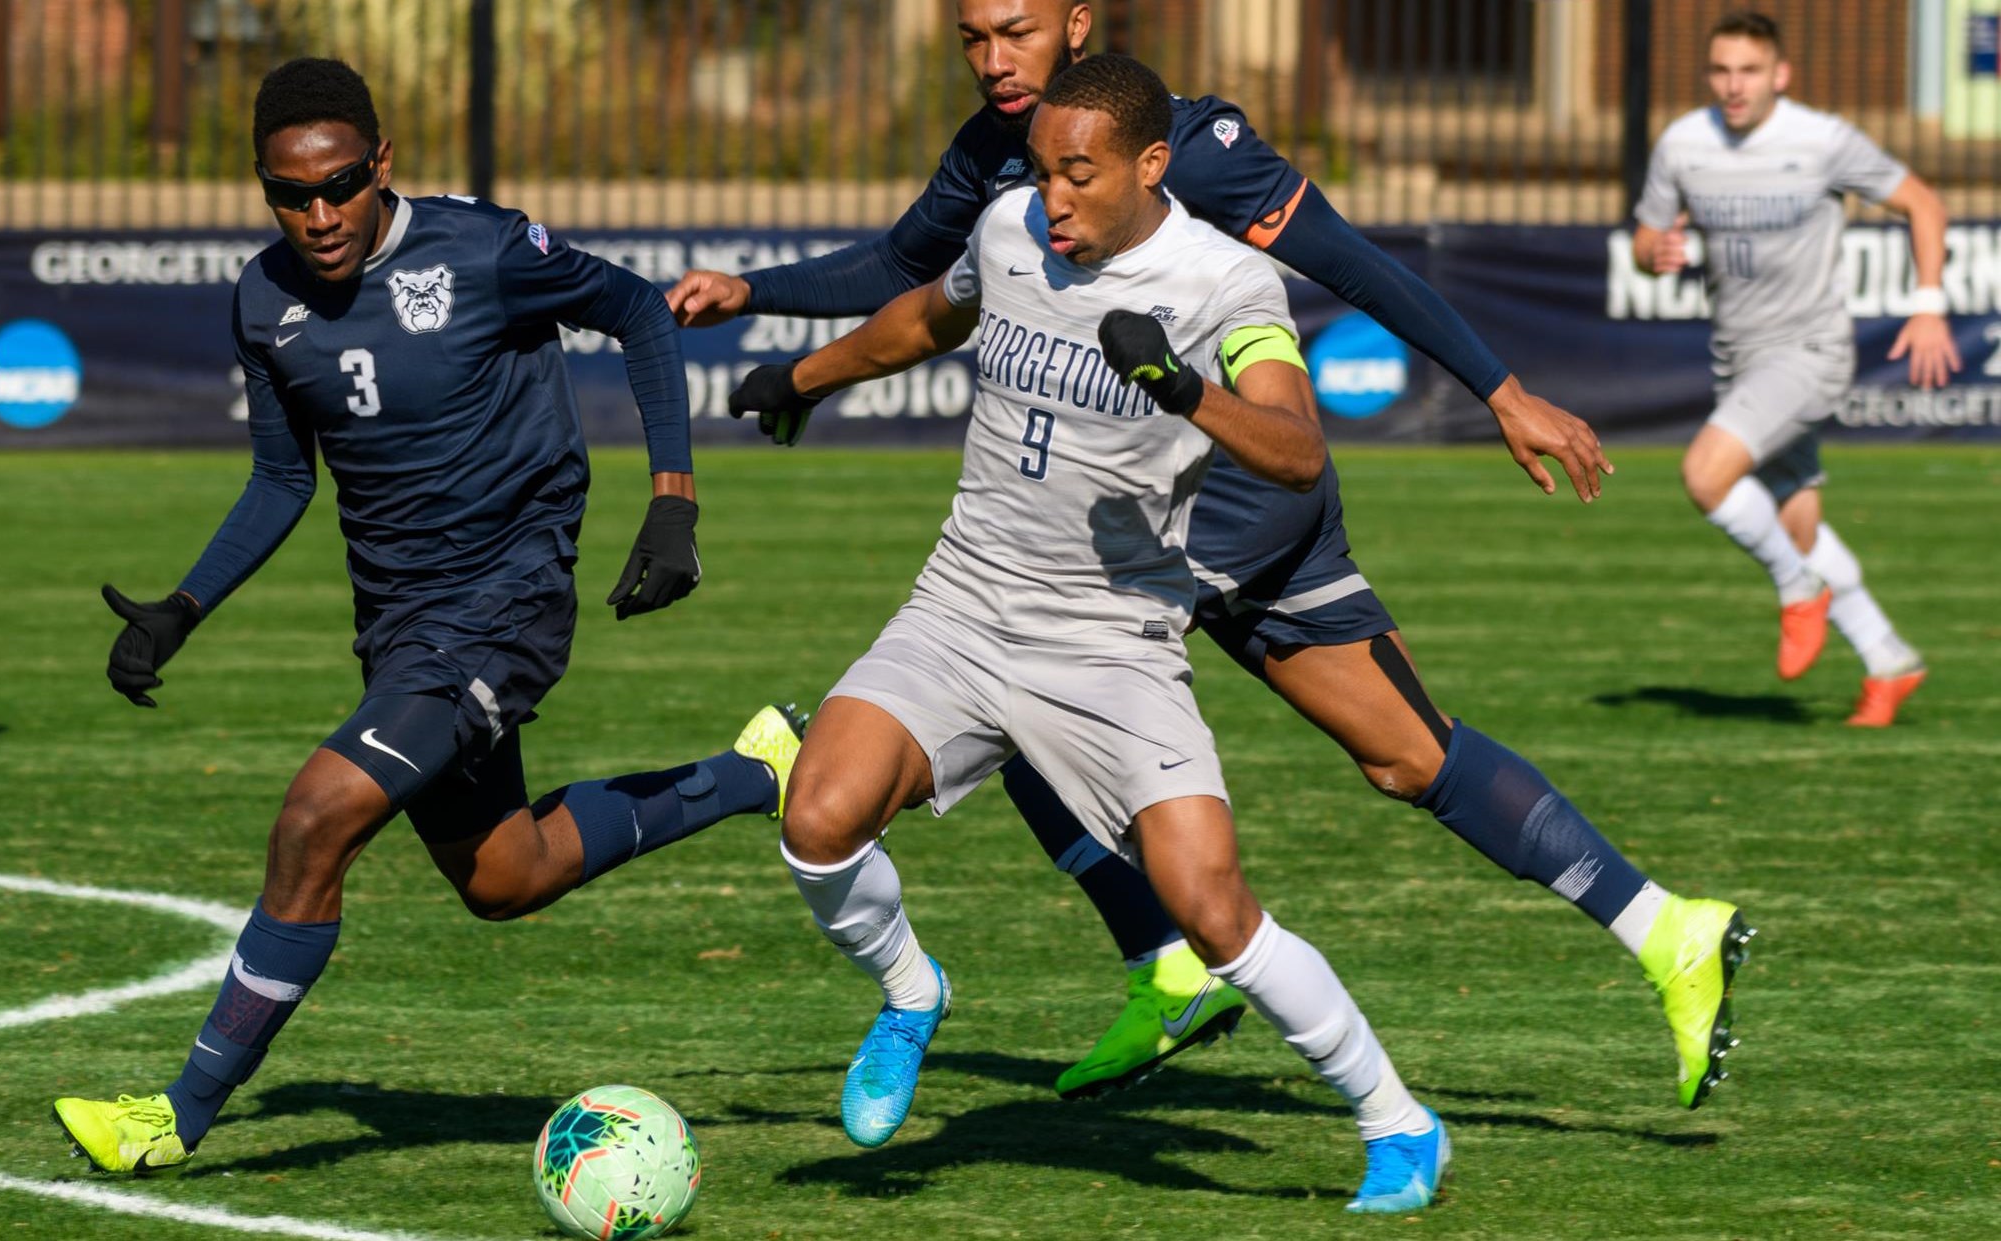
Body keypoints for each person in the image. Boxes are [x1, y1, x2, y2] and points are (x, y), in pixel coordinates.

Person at [684, 0, 1750, 1112]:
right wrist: (763, 307)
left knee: (1031, 666)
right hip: (1207, 504)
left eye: (1017, 31)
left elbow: (1350, 263)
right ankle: (1667, 927)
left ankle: (1169, 962)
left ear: (1078, 27)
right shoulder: (1000, 152)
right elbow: (907, 272)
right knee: (1404, 754)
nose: (996, 61)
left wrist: (1500, 389)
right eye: (973, 39)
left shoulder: (1192, 150)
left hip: (1217, 496)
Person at [50, 58, 805, 1174]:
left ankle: (175, 1112)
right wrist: (182, 607)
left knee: (314, 820)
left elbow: (638, 311)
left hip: (506, 599)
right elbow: (280, 480)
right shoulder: (263, 300)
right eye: (289, 195)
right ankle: (759, 768)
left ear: (381, 161)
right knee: (508, 874)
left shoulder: (485, 250)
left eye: (340, 185)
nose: (318, 215)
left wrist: (673, 504)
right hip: (402, 624)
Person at [738, 54, 1450, 1214]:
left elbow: (1295, 449)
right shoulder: (1012, 226)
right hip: (961, 605)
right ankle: (913, 994)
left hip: (1108, 640)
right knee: (817, 820)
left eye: (1080, 173)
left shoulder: (1224, 285)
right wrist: (802, 377)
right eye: (1041, 170)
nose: (1053, 195)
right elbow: (930, 311)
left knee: (1209, 907)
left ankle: (1397, 1121)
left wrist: (1181, 389)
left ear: (1150, 165)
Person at [1634, 9, 1953, 727]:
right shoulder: (1683, 143)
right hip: (1737, 361)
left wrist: (1928, 307)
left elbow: (1923, 203)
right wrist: (1652, 252)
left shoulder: (1821, 139)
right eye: (1721, 70)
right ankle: (1888, 657)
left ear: (1780, 75)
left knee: (1705, 474)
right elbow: (1646, 236)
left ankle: (1796, 586)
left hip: (1811, 353)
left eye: (1749, 71)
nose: (1733, 85)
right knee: (1796, 521)